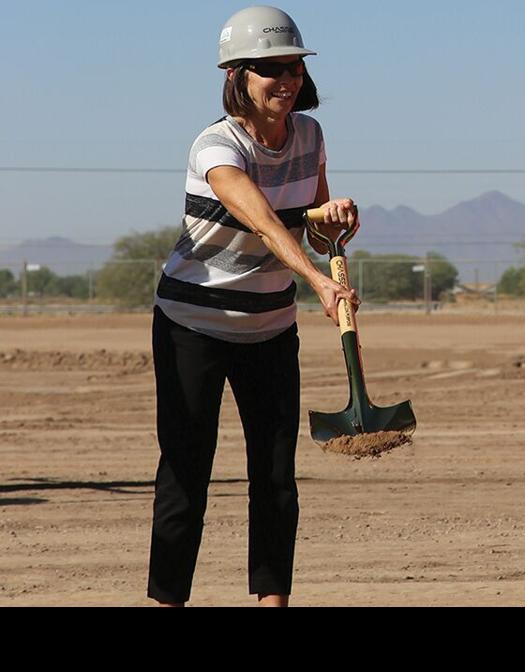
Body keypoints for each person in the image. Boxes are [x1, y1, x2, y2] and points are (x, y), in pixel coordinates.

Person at [147, 5, 359, 607]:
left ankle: (272, 603)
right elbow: (265, 221)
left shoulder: (311, 136)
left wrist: (333, 220)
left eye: (292, 67)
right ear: (237, 74)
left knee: (275, 478)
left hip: (270, 328)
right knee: (186, 473)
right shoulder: (215, 145)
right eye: (269, 69)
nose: (285, 80)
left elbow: (309, 226)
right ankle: (167, 600)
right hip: (194, 324)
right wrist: (319, 283)